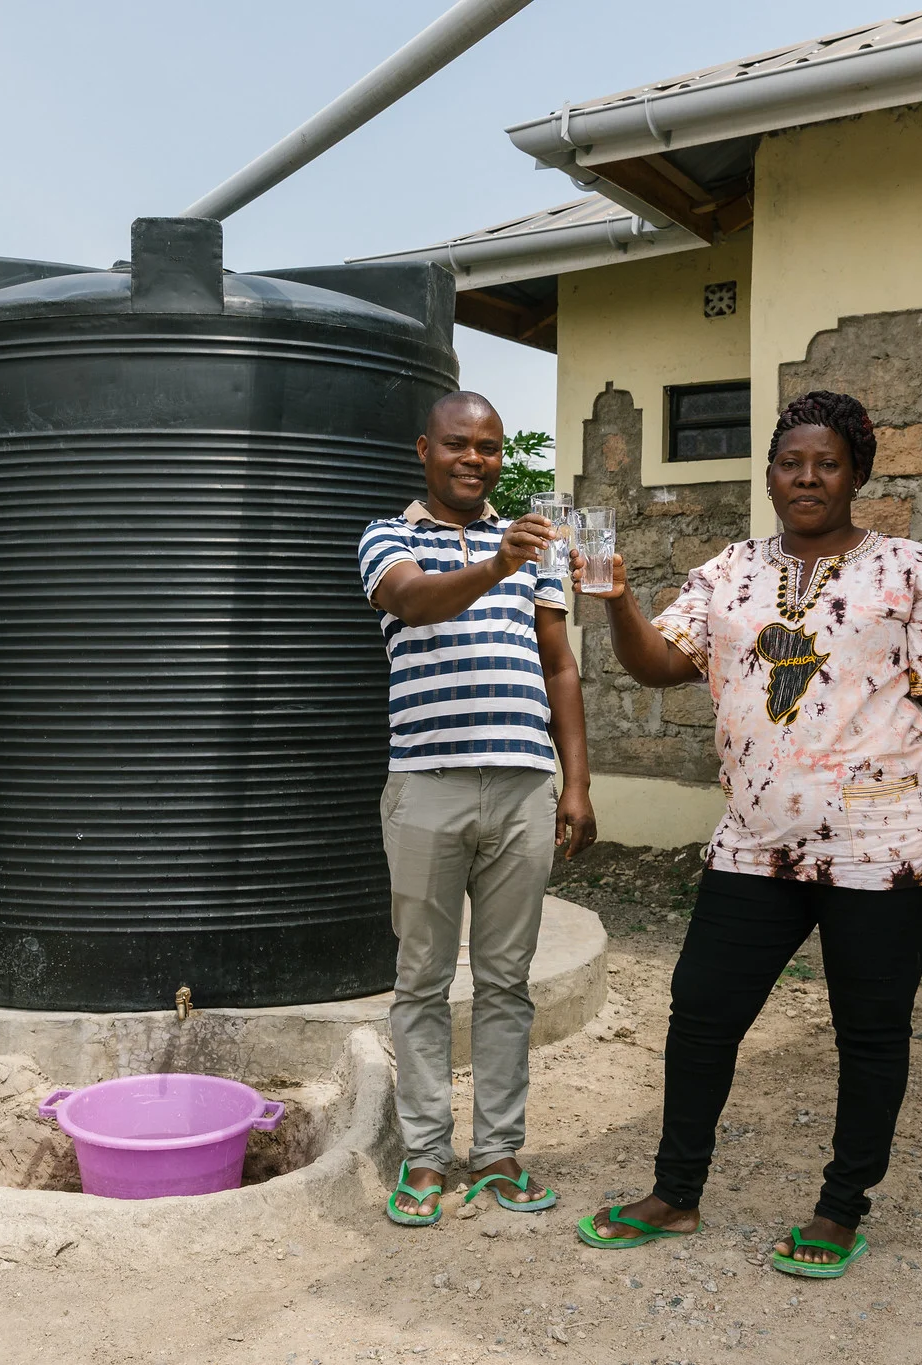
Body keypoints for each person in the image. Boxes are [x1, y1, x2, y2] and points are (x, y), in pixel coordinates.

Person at [572, 390, 922, 1278]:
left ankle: (842, 1209)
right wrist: (614, 602)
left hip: (884, 846)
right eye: (790, 462)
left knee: (869, 1032)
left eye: (827, 462)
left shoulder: (911, 570)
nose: (806, 477)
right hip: (755, 841)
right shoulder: (726, 571)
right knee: (701, 1016)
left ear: (857, 473)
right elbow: (658, 665)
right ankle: (675, 1192)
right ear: (768, 473)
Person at [357, 390, 598, 1226]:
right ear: (424, 448)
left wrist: (577, 781)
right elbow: (414, 600)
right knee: (422, 978)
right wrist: (499, 561)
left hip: (524, 785)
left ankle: (497, 1150)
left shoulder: (539, 549)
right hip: (426, 784)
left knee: (505, 980)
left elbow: (559, 667)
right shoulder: (388, 537)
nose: (475, 458)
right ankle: (426, 1156)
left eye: (489, 447)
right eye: (458, 445)